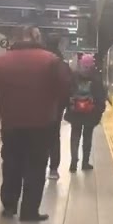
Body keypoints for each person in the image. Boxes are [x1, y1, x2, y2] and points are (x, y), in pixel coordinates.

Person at [0, 25, 70, 222]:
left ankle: (9, 206)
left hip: (11, 125)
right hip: (41, 125)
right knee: (36, 166)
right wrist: (56, 110)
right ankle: (29, 211)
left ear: (15, 39)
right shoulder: (51, 61)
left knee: (11, 164)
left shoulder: (0, 62)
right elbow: (66, 89)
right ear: (37, 38)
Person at [65, 54, 108, 172]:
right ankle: (85, 163)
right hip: (90, 113)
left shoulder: (73, 76)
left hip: (75, 113)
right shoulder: (96, 77)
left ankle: (73, 163)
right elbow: (101, 95)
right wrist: (100, 109)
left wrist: (69, 106)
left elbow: (67, 92)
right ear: (92, 64)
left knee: (75, 137)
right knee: (87, 138)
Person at [44, 39, 69, 181]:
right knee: (54, 138)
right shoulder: (62, 66)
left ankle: (39, 165)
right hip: (56, 109)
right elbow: (68, 87)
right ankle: (53, 169)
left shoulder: (40, 63)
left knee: (38, 137)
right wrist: (63, 105)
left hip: (39, 108)